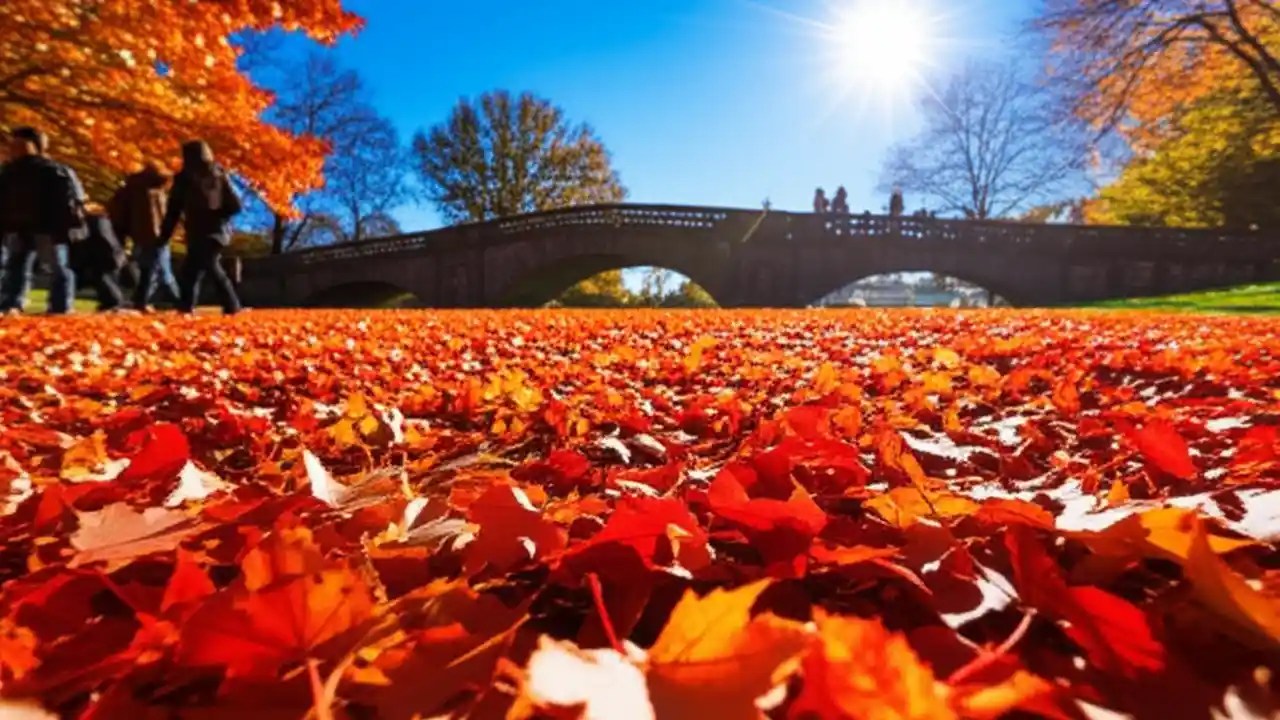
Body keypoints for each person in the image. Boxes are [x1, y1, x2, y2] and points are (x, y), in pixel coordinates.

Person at [0, 127, 87, 314]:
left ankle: (60, 305)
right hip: (18, 225)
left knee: (56, 267)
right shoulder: (9, 171)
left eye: (21, 144)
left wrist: (65, 226)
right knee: (16, 265)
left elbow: (69, 201)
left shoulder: (53, 171)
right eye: (13, 144)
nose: (15, 148)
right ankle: (12, 303)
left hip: (46, 227)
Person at [158, 140, 243, 315]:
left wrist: (165, 234)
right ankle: (187, 307)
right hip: (218, 230)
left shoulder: (184, 179)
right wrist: (219, 214)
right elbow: (235, 206)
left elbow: (174, 209)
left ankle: (230, 306)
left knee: (206, 268)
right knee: (193, 270)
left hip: (200, 231)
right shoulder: (219, 174)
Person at [110, 163, 178, 310]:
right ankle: (179, 302)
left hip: (141, 235)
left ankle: (141, 300)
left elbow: (119, 212)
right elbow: (162, 216)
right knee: (158, 272)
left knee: (154, 270)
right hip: (158, 236)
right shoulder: (154, 192)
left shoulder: (132, 189)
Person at [71, 206, 127, 311]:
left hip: (103, 255)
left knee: (103, 278)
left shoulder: (93, 223)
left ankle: (113, 302)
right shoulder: (102, 221)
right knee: (105, 278)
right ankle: (112, 302)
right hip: (109, 254)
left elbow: (98, 240)